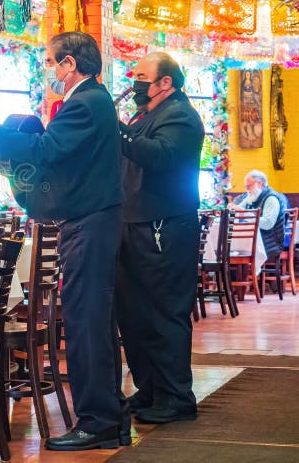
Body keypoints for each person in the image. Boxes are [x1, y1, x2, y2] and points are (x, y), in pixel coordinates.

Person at [0, 31, 126, 451]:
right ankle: (109, 415)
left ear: (70, 63)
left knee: (86, 322)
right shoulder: (94, 100)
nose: (48, 69)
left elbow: (47, 149)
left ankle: (99, 421)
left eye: (52, 61)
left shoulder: (85, 102)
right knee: (93, 321)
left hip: (90, 221)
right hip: (93, 219)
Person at [115, 52, 205, 425]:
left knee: (164, 311)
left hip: (165, 226)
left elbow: (161, 156)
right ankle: (150, 387)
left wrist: (116, 129)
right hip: (134, 222)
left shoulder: (181, 117)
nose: (134, 83)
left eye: (141, 76)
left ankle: (176, 396)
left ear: (165, 82)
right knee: (134, 313)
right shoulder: (147, 114)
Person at [232, 170, 288, 264]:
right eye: (246, 186)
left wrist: (244, 214)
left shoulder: (271, 198)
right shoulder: (253, 196)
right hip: (258, 240)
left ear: (259, 183)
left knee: (232, 248)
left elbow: (267, 223)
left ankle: (239, 276)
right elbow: (239, 210)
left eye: (248, 186)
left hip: (271, 243)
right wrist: (233, 208)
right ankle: (237, 276)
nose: (247, 189)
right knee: (229, 246)